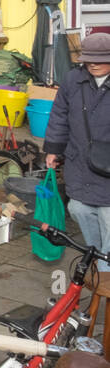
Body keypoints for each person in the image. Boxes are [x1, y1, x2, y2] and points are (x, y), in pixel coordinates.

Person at [42, 32, 110, 275]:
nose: (92, 63)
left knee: (108, 217)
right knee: (78, 209)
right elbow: (59, 115)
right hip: (79, 161)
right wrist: (53, 149)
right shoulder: (73, 80)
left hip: (108, 169)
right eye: (88, 58)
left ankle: (103, 271)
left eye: (99, 59)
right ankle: (98, 258)